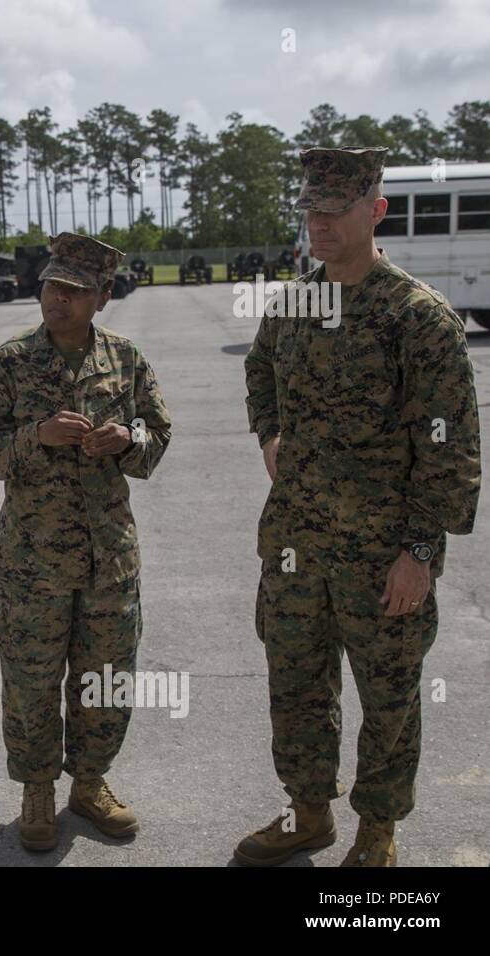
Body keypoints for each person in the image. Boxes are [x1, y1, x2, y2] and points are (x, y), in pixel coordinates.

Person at [238, 146, 481, 867]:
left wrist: (420, 553)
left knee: (389, 699)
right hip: (294, 547)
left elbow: (450, 446)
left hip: (382, 555)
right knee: (297, 686)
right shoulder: (294, 305)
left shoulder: (418, 317)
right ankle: (307, 811)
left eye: (334, 211)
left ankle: (378, 833)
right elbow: (259, 375)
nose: (319, 224)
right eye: (311, 210)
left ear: (374, 212)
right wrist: (270, 435)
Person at [0, 232, 171, 852]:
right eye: (54, 286)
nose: (59, 300)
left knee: (106, 677)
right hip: (33, 562)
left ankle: (90, 783)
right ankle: (37, 792)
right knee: (30, 680)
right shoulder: (11, 362)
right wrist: (37, 437)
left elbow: (158, 432)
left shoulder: (127, 360)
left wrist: (127, 441)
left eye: (76, 292)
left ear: (103, 298)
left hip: (110, 560)